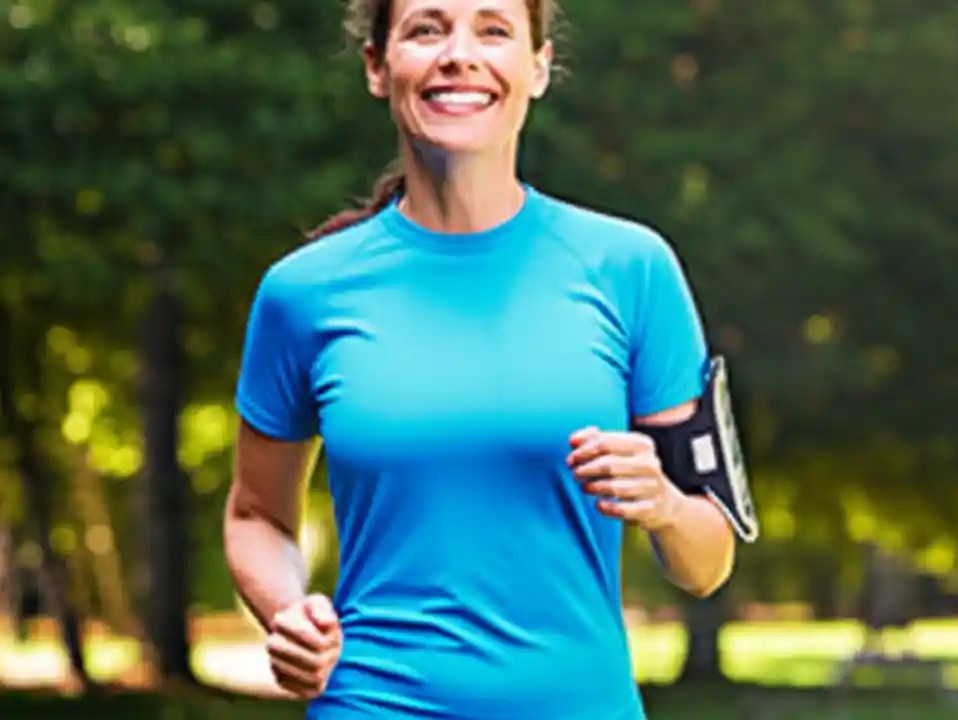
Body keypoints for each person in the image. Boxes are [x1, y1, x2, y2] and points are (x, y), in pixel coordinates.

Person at [222, 0, 742, 718]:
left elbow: (708, 562)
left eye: (493, 30)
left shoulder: (631, 269)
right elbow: (256, 515)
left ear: (539, 67)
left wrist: (664, 505)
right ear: (377, 67)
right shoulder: (303, 292)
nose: (459, 55)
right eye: (426, 29)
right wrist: (288, 614)